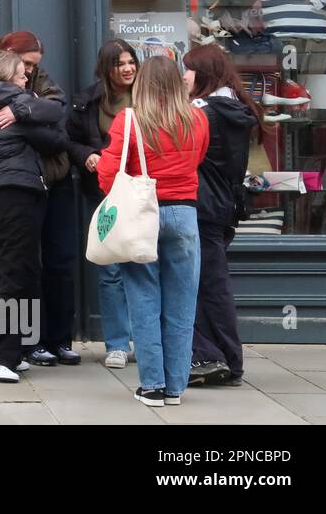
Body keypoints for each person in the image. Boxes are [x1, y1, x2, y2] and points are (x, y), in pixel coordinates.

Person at [97, 57, 209, 407]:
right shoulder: (199, 118)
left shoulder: (128, 120)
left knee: (143, 300)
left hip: (142, 215)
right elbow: (197, 160)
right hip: (185, 214)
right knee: (182, 305)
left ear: (142, 83)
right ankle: (175, 388)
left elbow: (108, 172)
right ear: (178, 83)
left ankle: (152, 386)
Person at [0, 50, 66, 382]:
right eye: (21, 75)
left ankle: (5, 350)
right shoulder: (13, 103)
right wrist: (26, 105)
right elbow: (54, 134)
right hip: (16, 190)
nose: (26, 80)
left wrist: (21, 109)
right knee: (16, 272)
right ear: (8, 77)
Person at [0, 31, 78, 367]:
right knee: (26, 265)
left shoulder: (45, 81)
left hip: (55, 180)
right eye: (26, 64)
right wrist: (32, 118)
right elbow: (2, 130)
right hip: (24, 184)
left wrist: (19, 116)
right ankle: (32, 341)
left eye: (34, 65)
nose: (30, 71)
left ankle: (60, 339)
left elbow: (57, 122)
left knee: (60, 263)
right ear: (8, 57)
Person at [183, 45, 260, 387]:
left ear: (203, 75)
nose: (183, 76)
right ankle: (224, 357)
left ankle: (214, 357)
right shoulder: (235, 108)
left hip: (199, 205)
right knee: (212, 284)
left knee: (202, 285)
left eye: (188, 70)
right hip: (222, 207)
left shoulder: (202, 111)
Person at [66, 39, 139, 369]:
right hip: (104, 194)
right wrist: (87, 156)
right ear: (107, 68)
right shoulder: (87, 101)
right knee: (110, 270)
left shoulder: (148, 96)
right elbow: (70, 141)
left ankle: (145, 338)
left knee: (143, 266)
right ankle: (117, 344)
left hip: (142, 191)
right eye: (119, 63)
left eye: (131, 62)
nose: (127, 68)